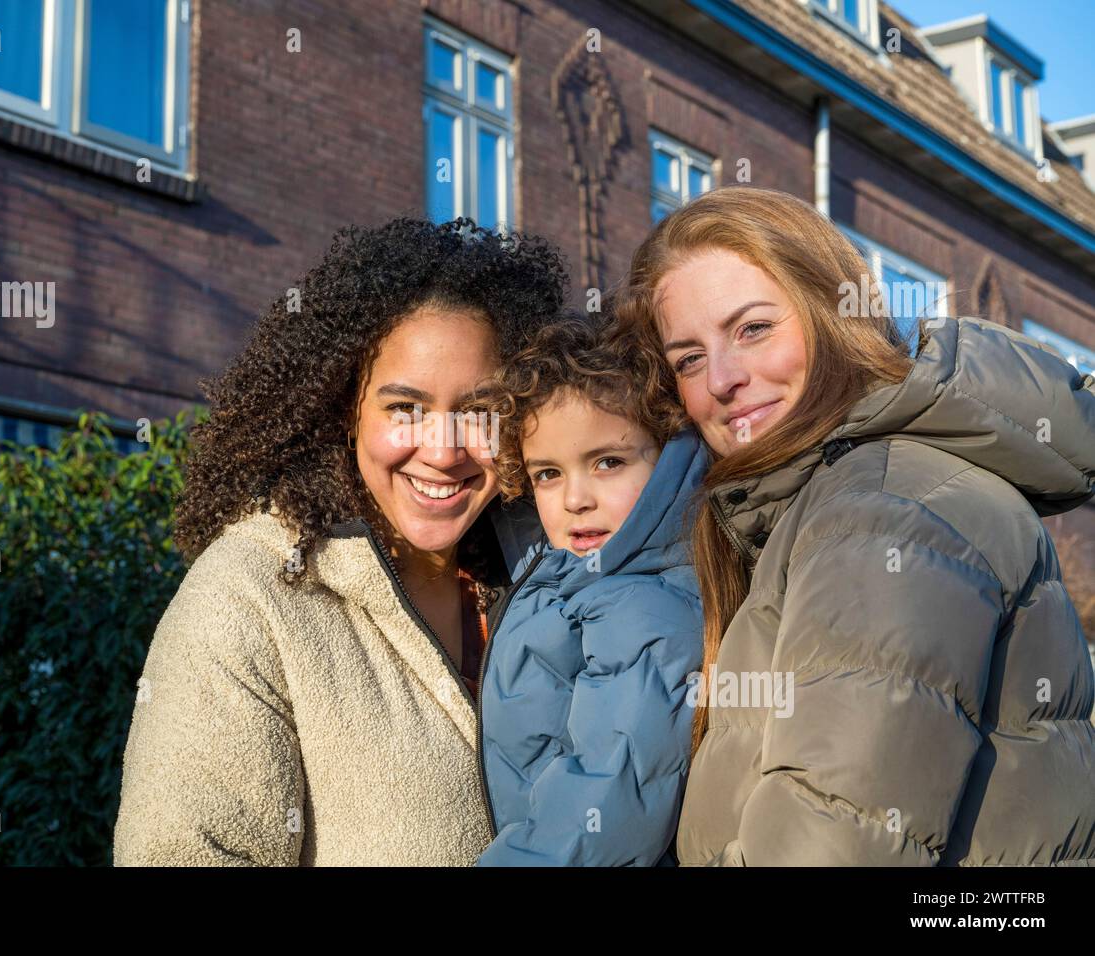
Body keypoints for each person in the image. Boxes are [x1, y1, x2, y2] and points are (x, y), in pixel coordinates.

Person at [611, 185, 1095, 866]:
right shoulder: (829, 500)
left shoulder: (882, 513)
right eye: (688, 358)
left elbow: (832, 844)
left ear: (833, 317)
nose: (721, 379)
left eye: (753, 329)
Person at [112, 217, 567, 865]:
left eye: (480, 410)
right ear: (343, 407)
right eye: (404, 407)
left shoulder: (553, 570)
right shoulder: (250, 594)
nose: (443, 451)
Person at [473, 315, 705, 866]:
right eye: (548, 473)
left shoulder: (649, 613)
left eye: (608, 462)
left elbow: (603, 806)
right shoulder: (573, 581)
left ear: (671, 462)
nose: (575, 499)